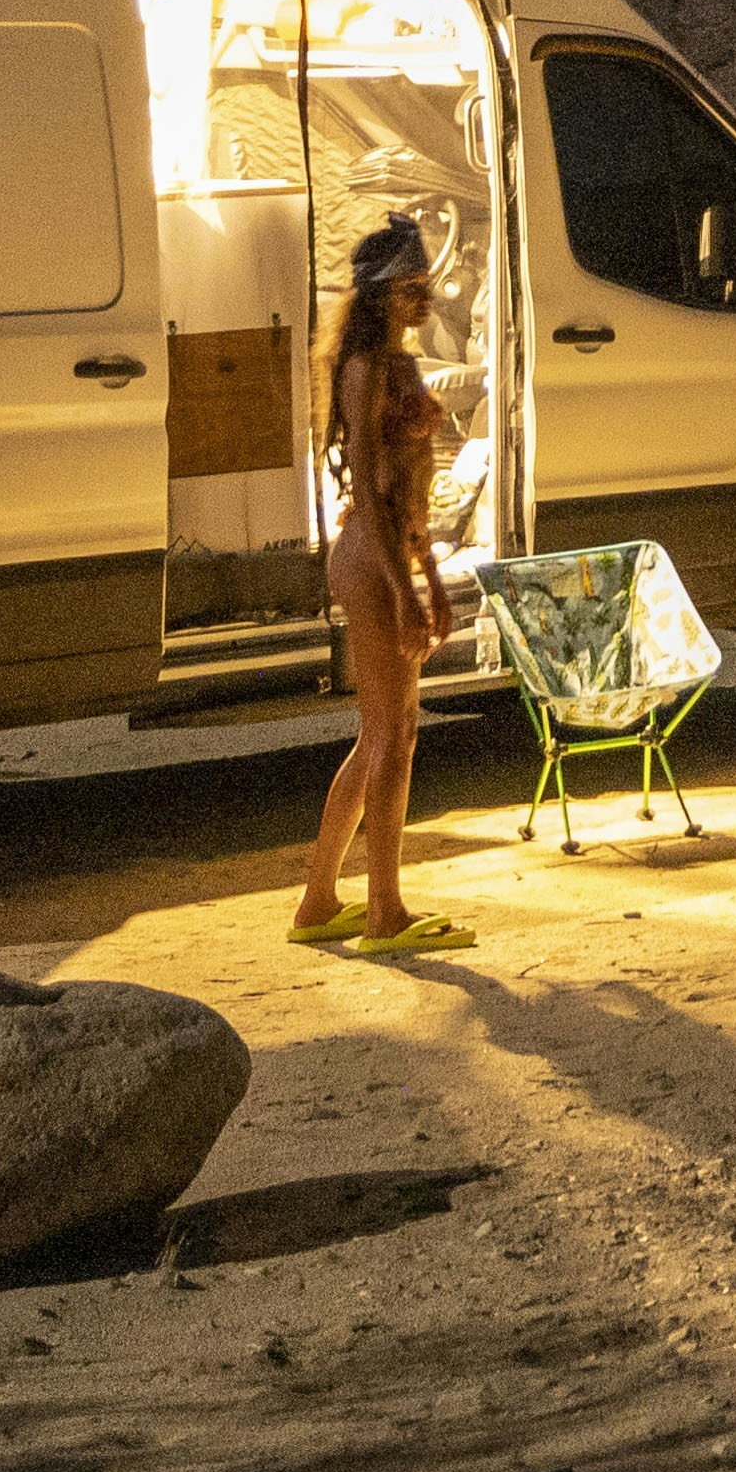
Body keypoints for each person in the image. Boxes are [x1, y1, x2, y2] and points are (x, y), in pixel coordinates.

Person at [292, 215, 472, 956]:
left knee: (384, 733)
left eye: (426, 284)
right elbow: (368, 480)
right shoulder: (366, 368)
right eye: (410, 287)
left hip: (389, 549)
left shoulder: (398, 365)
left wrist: (429, 579)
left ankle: (320, 900)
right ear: (377, 294)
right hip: (371, 554)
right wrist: (403, 589)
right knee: (392, 736)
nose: (423, 297)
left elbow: (410, 488)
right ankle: (383, 910)